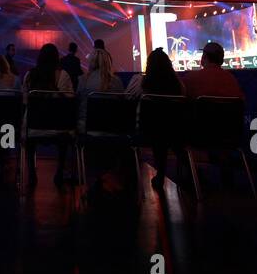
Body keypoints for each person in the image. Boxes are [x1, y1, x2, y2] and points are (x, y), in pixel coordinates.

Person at [124, 48, 190, 192]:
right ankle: (190, 172)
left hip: (148, 132)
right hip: (175, 132)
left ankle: (152, 177)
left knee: (158, 136)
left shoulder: (142, 82)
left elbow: (127, 97)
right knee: (166, 135)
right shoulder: (178, 85)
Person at [22, 43, 74, 186]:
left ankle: (31, 171)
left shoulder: (29, 75)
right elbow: (69, 100)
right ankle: (59, 169)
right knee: (65, 135)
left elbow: (25, 101)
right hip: (58, 128)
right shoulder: (63, 75)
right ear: (57, 58)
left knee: (29, 138)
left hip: (33, 127)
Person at [75, 48, 121, 132]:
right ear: (108, 62)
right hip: (112, 127)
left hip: (87, 127)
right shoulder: (116, 81)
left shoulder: (83, 80)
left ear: (90, 62)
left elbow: (78, 103)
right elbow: (122, 105)